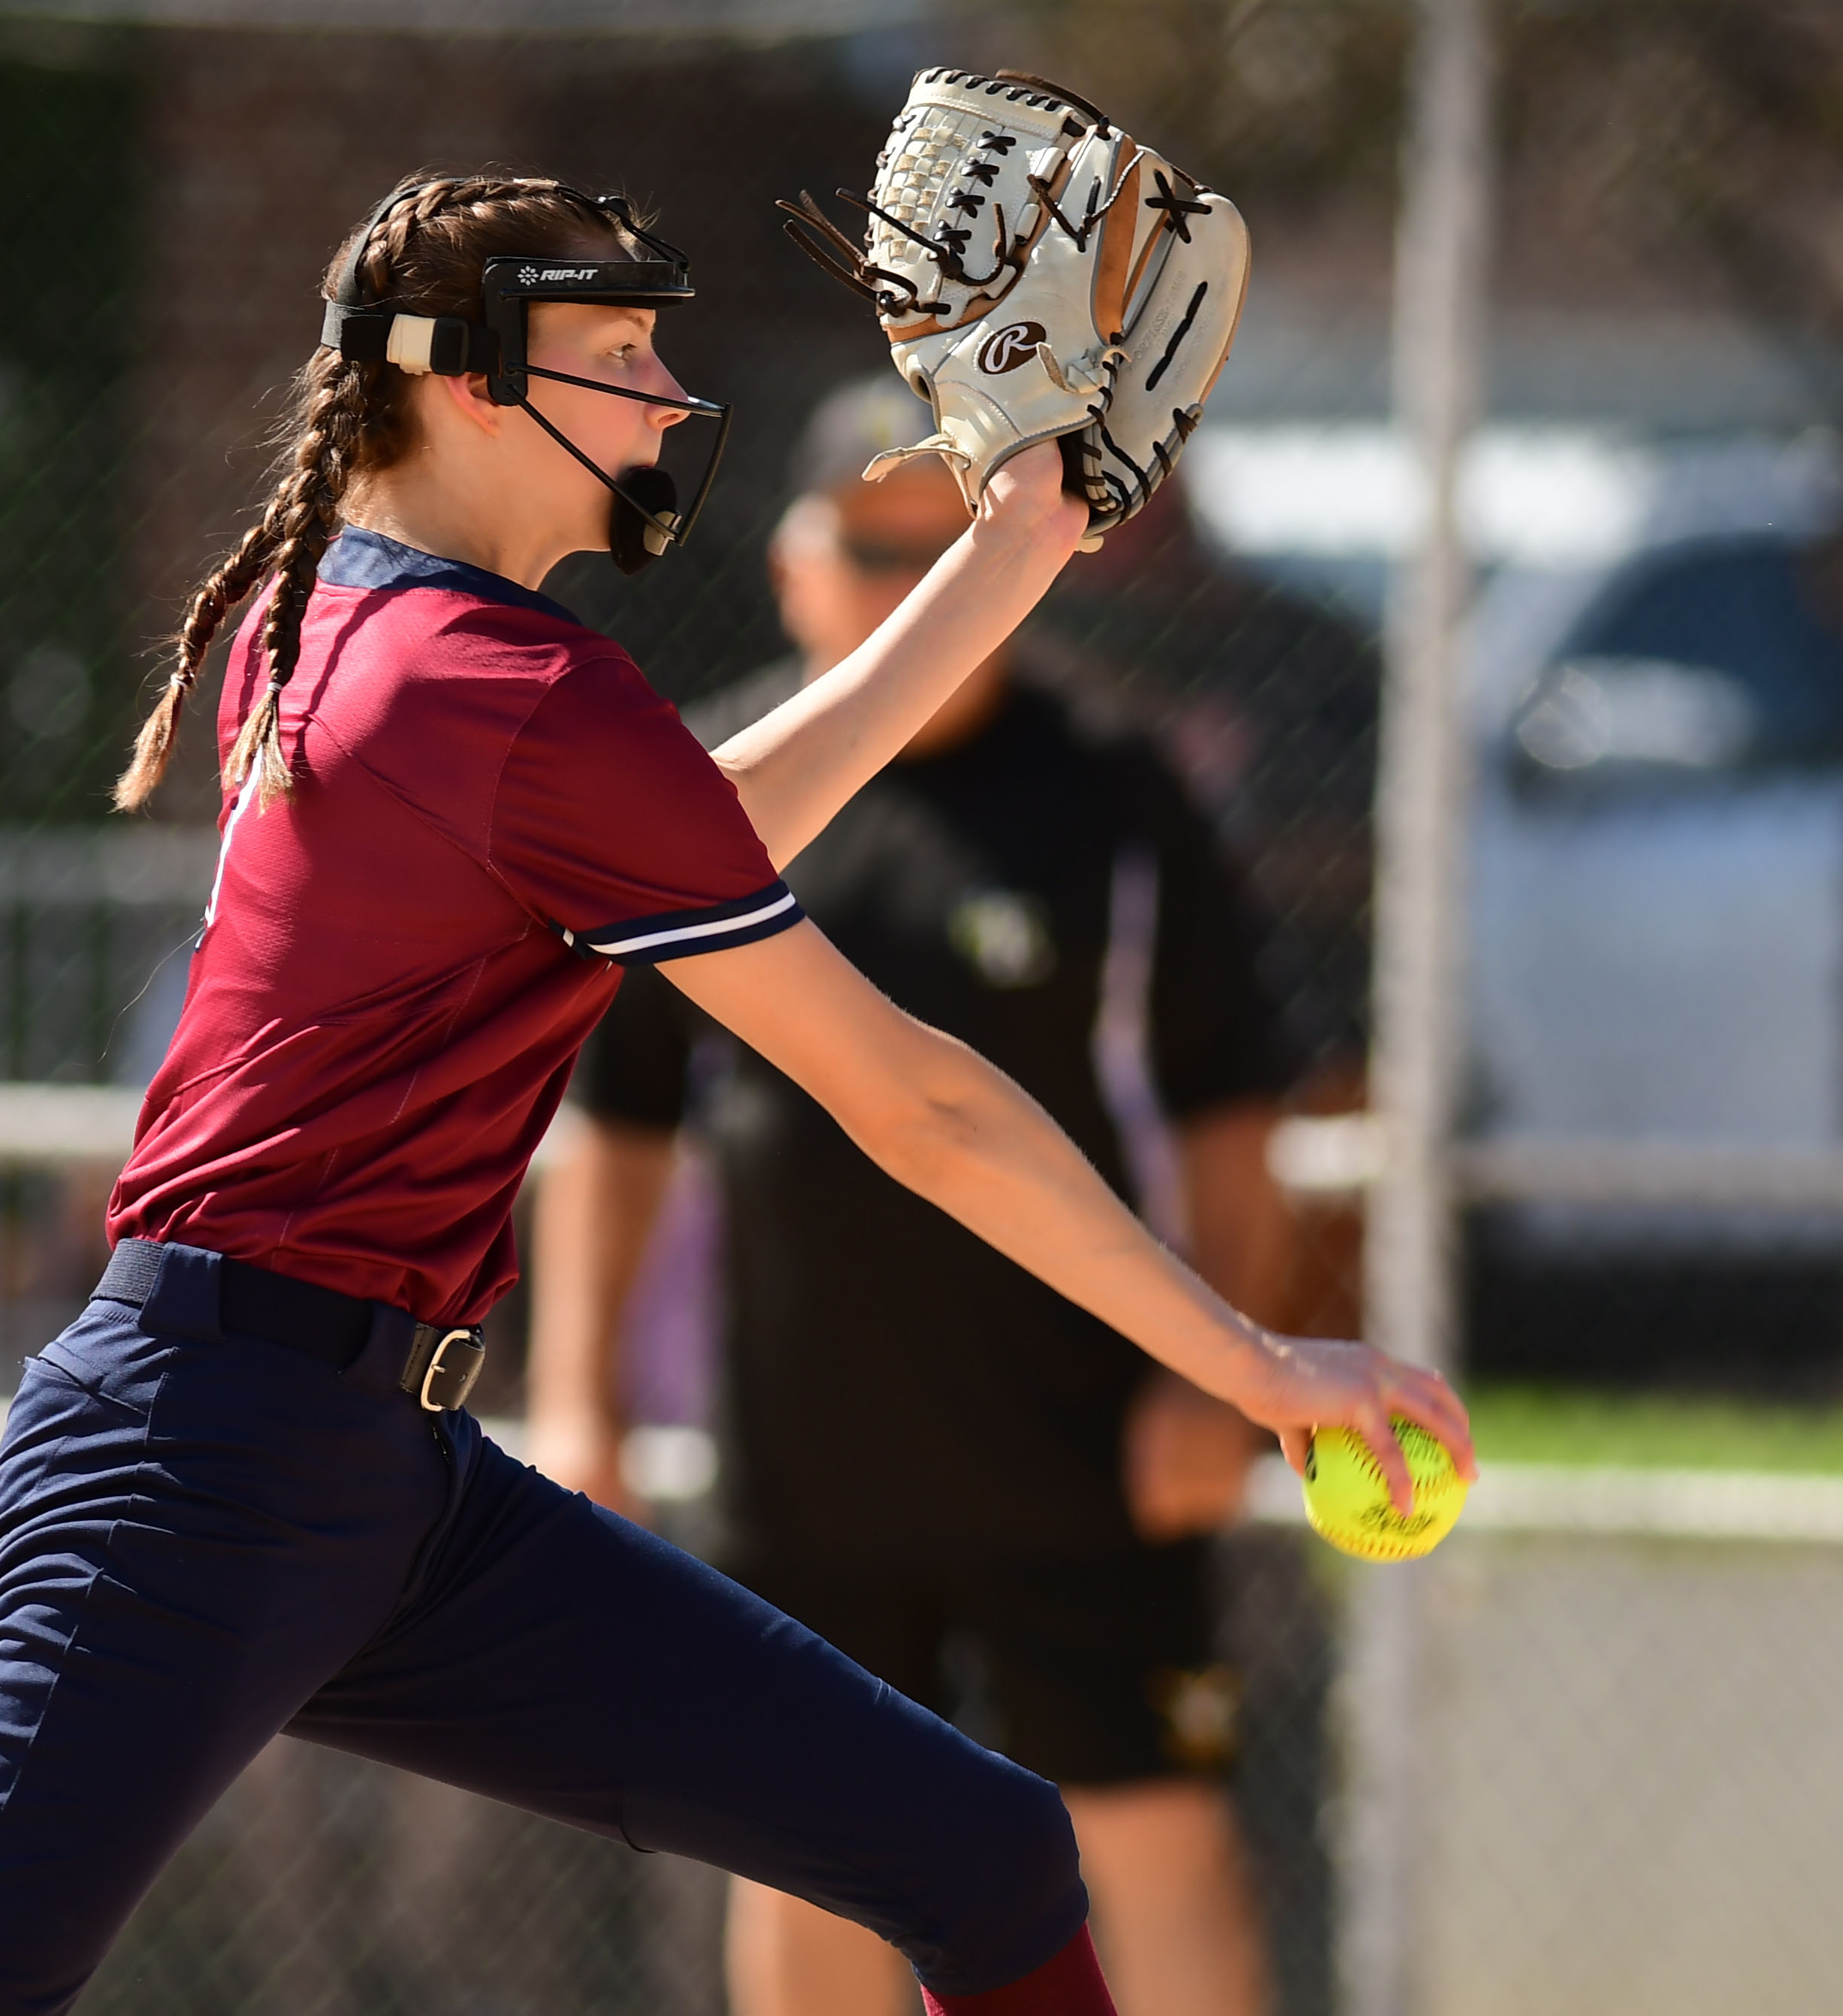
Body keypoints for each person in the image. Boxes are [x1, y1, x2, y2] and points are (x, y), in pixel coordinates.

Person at [0, 173, 1468, 2016]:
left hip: (383, 1473)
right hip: (208, 1466)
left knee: (972, 1845)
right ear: (463, 386)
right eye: (616, 352)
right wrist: (1254, 1358)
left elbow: (689, 836)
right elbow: (912, 1097)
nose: (668, 392)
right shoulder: (498, 684)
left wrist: (1003, 554)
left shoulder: (336, 612)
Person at [531, 380, 1294, 2016]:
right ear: (793, 565)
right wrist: (577, 1405)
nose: (900, 589)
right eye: (866, 551)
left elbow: (1233, 1113)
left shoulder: (1115, 793)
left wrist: (1205, 1374)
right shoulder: (706, 800)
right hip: (807, 1462)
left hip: (1082, 1460)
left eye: (942, 551)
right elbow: (621, 1124)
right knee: (815, 1877)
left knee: (1154, 1858)